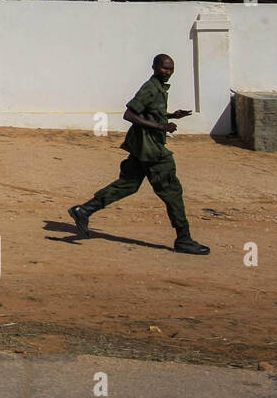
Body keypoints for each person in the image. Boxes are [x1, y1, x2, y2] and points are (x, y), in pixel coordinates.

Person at [69, 54, 209, 255]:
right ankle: (184, 238)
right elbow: (130, 114)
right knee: (172, 192)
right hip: (152, 151)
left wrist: (170, 115)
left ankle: (84, 210)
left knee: (127, 185)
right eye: (164, 69)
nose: (168, 73)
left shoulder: (158, 88)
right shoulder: (150, 88)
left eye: (171, 69)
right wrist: (162, 125)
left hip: (142, 148)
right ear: (154, 67)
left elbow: (148, 113)